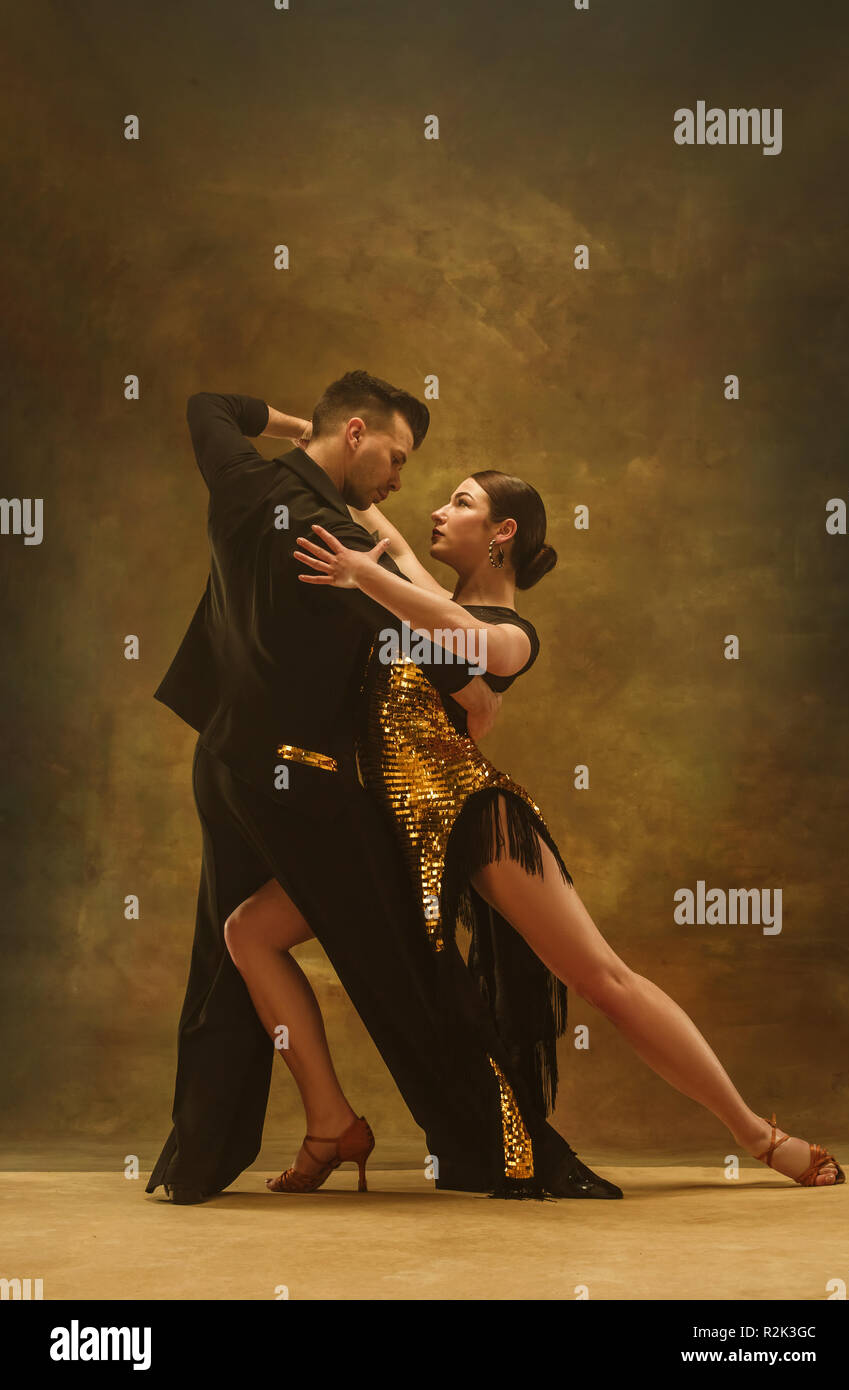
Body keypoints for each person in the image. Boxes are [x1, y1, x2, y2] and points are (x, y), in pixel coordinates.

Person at [281, 465, 845, 1191]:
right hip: (400, 832)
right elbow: (384, 536)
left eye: (461, 503)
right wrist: (310, 444)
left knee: (604, 979)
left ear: (502, 533)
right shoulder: (425, 599)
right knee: (249, 929)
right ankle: (336, 1123)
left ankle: (758, 1135)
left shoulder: (513, 634)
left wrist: (365, 575)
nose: (437, 510)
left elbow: (457, 630)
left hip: (476, 817)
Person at [145, 372, 619, 1205]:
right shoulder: (338, 549)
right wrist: (471, 679)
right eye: (395, 458)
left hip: (220, 758)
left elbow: (207, 407)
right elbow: (453, 670)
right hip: (303, 782)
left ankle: (240, 1145)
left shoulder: (245, 480)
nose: (401, 480)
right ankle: (490, 1142)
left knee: (233, 946)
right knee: (403, 964)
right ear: (356, 434)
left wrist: (298, 427)